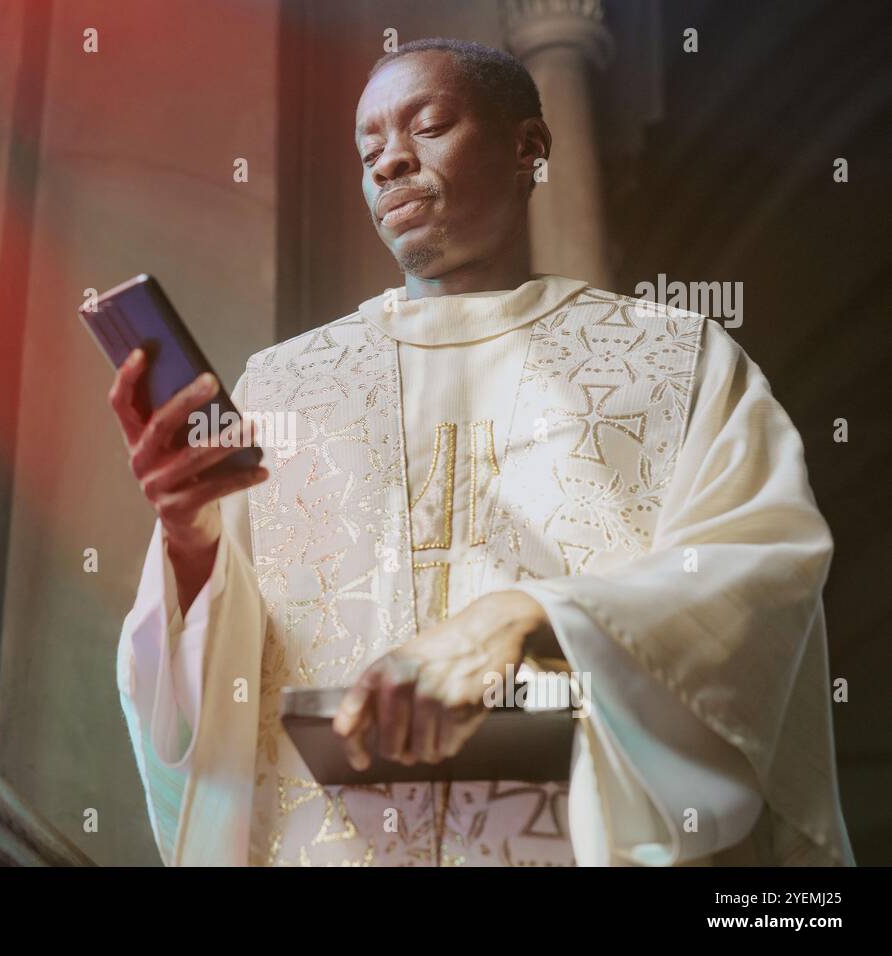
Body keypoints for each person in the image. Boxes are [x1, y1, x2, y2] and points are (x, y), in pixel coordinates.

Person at [109, 38, 853, 866]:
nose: (390, 161)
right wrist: (188, 543)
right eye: (368, 150)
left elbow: (756, 568)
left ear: (528, 147)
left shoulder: (673, 358)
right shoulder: (285, 385)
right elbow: (202, 686)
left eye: (427, 126)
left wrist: (532, 619)